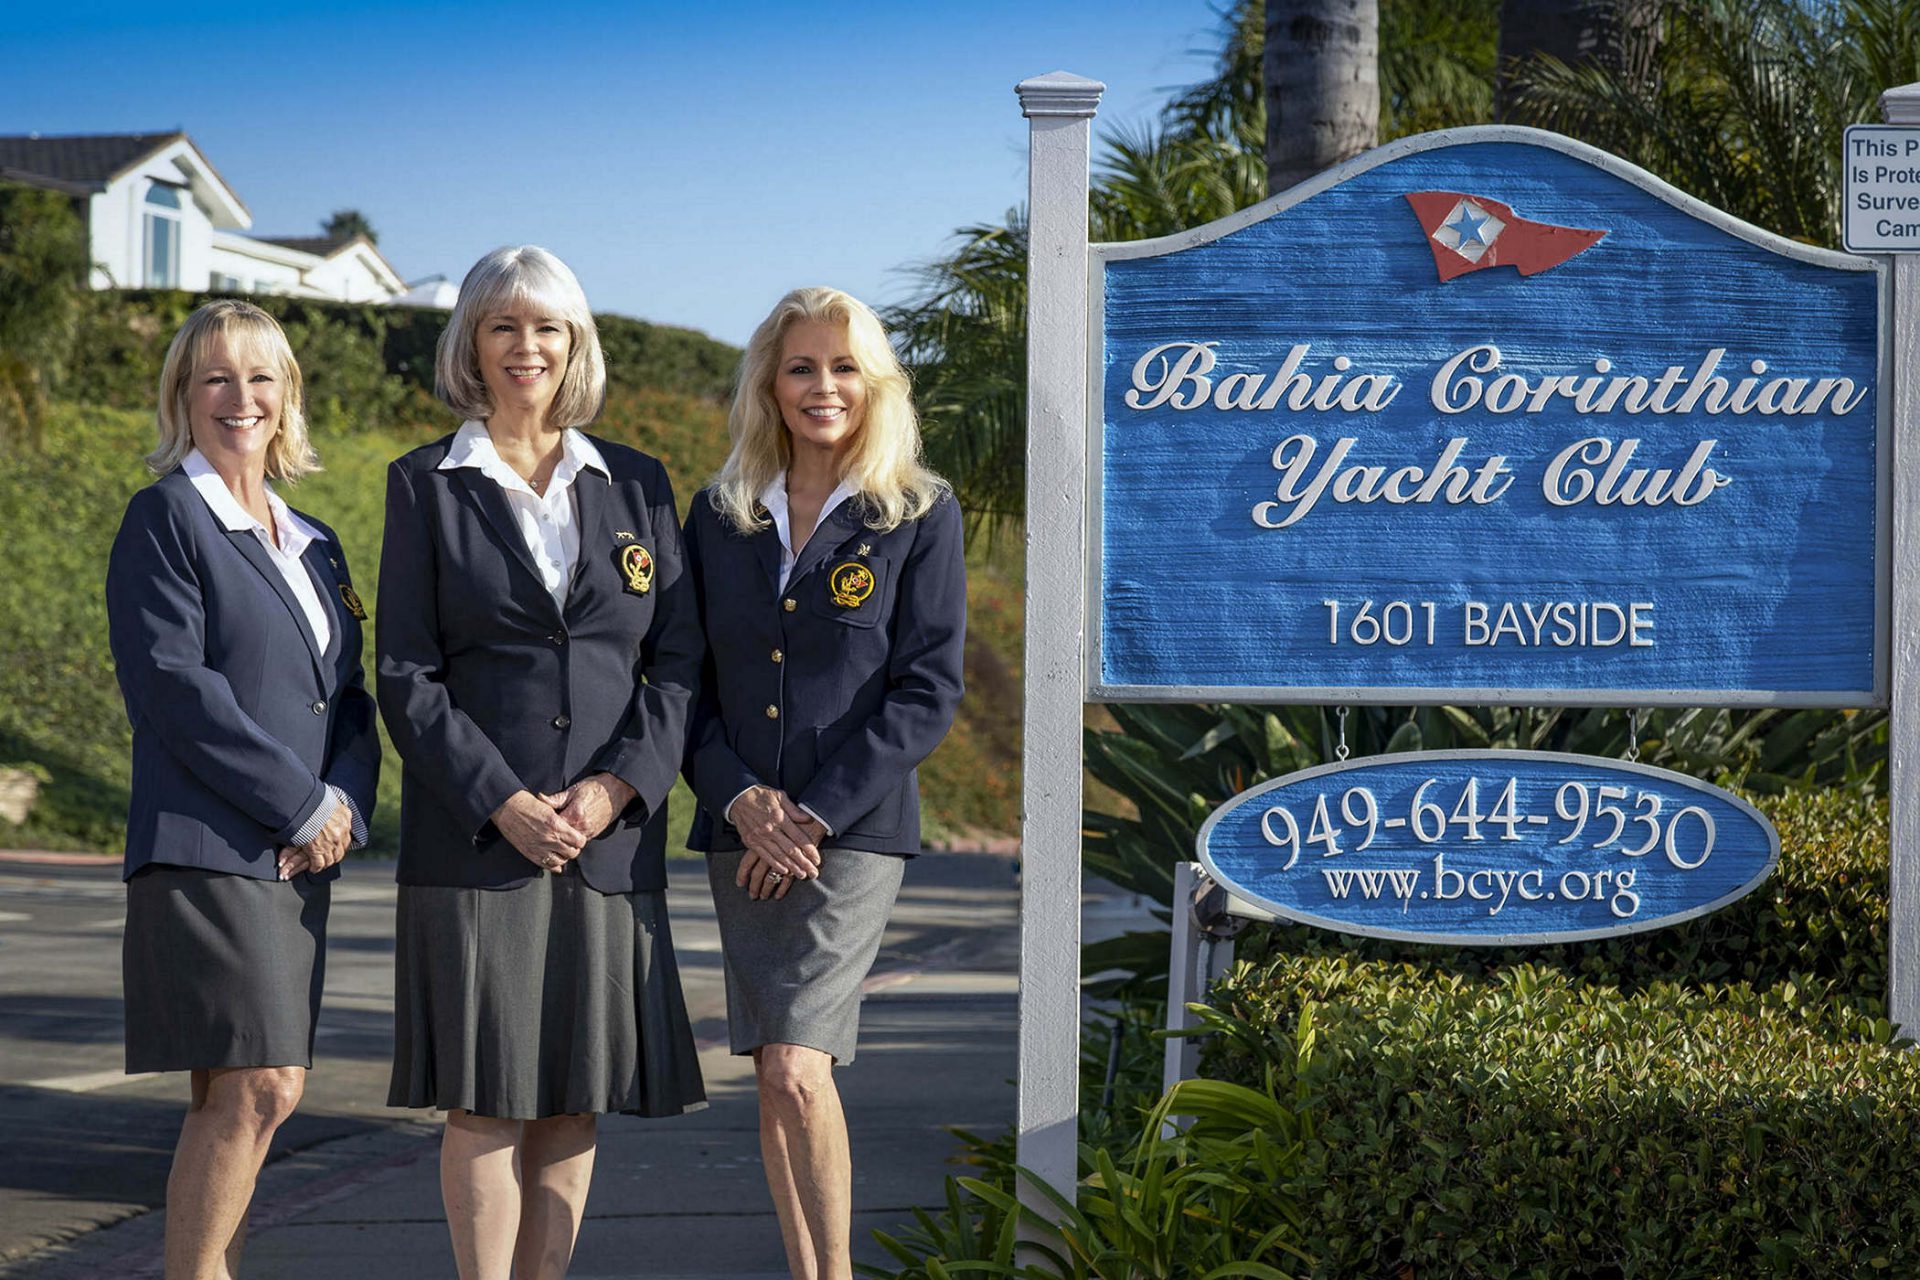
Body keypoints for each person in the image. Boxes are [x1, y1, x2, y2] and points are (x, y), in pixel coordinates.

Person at [377, 245, 705, 1280]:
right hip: (481, 844)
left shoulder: (640, 484)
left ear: (576, 344)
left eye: (548, 327)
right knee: (485, 1095)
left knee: (572, 1091)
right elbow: (404, 670)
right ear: (472, 341)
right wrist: (504, 799)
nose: (528, 347)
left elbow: (680, 662)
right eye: (505, 326)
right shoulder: (424, 484)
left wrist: (614, 789)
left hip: (606, 844)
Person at [682, 286, 966, 1280]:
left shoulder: (919, 513)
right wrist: (742, 802)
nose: (823, 386)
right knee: (774, 1070)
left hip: (848, 835)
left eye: (844, 367)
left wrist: (807, 813)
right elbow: (686, 684)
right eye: (801, 366)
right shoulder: (719, 518)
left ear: (875, 383)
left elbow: (928, 688)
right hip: (743, 831)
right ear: (769, 381)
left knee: (801, 1063)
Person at [105, 299, 379, 1280]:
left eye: (262, 377)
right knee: (259, 1083)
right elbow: (174, 687)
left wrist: (344, 800)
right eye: (216, 377)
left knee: (254, 1088)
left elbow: (348, 698)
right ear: (183, 393)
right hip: (209, 844)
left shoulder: (316, 541)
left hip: (300, 852)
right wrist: (301, 804)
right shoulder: (168, 518)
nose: (241, 397)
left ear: (287, 395)